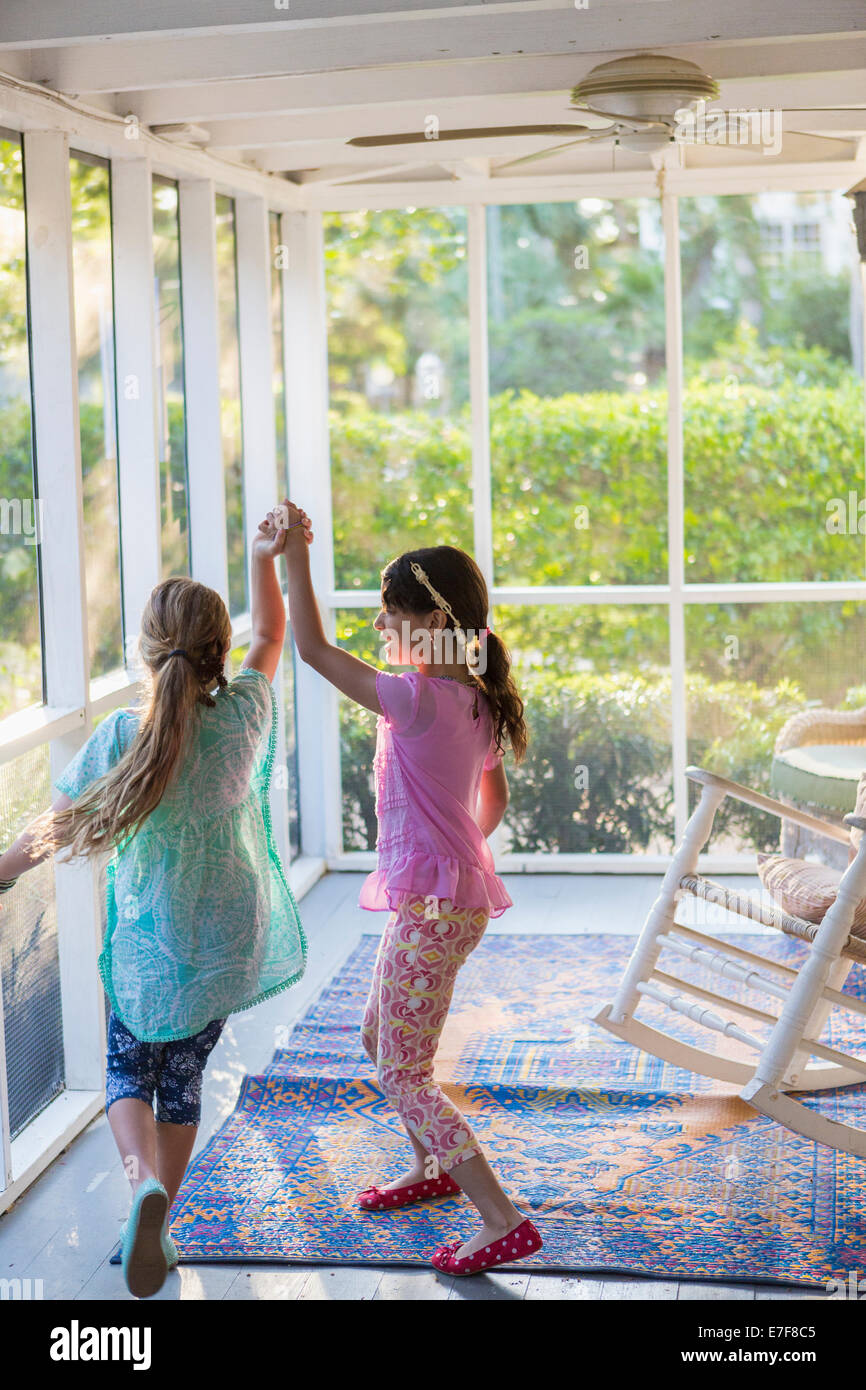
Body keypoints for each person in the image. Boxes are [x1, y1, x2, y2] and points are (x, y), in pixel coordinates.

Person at [0, 516, 308, 1298]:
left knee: (126, 1070)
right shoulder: (244, 715)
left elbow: (56, 828)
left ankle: (141, 1182)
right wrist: (265, 553)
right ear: (220, 653)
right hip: (230, 937)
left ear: (145, 651)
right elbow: (272, 628)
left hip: (154, 945)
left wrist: (1, 870)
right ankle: (161, 1224)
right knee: (186, 1076)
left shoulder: (121, 738)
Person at [276, 498, 543, 1276]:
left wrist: (295, 551)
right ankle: (430, 1167)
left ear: (429, 620)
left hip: (436, 909)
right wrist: (456, 857)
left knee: (402, 1072)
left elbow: (313, 651)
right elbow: (490, 803)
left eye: (389, 616)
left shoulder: (420, 699)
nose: (381, 631)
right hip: (445, 902)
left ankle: (502, 1218)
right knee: (376, 1035)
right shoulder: (476, 698)